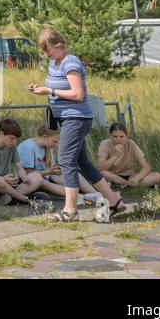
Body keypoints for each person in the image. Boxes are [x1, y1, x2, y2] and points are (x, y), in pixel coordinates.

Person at [27, 27, 127, 222]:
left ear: (58, 45)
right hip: (67, 119)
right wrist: (41, 89)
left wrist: (50, 91)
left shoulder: (71, 62)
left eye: (48, 49)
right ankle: (115, 201)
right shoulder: (54, 62)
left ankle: (70, 210)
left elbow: (78, 94)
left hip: (77, 118)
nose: (46, 54)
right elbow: (56, 86)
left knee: (66, 160)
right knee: (83, 162)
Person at [17, 126, 103, 204]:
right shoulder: (28, 147)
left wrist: (58, 170)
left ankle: (95, 194)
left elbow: (50, 170)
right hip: (31, 182)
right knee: (40, 179)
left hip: (46, 178)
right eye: (54, 141)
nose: (56, 145)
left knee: (72, 172)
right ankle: (79, 197)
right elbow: (28, 174)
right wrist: (49, 172)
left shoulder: (47, 147)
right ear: (45, 137)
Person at [0, 118, 45, 205]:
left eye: (16, 139)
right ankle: (25, 199)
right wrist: (2, 178)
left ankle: (7, 198)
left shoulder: (11, 146)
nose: (14, 142)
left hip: (6, 183)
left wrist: (24, 177)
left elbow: (19, 167)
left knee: (37, 177)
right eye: (12, 138)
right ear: (1, 133)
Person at [97, 123, 160, 189]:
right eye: (115, 136)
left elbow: (146, 167)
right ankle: (131, 185)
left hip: (130, 176)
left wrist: (137, 178)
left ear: (126, 137)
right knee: (103, 173)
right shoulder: (105, 144)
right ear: (110, 136)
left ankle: (126, 185)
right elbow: (100, 168)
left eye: (121, 136)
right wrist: (115, 155)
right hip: (113, 176)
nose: (118, 140)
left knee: (158, 176)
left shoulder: (131, 144)